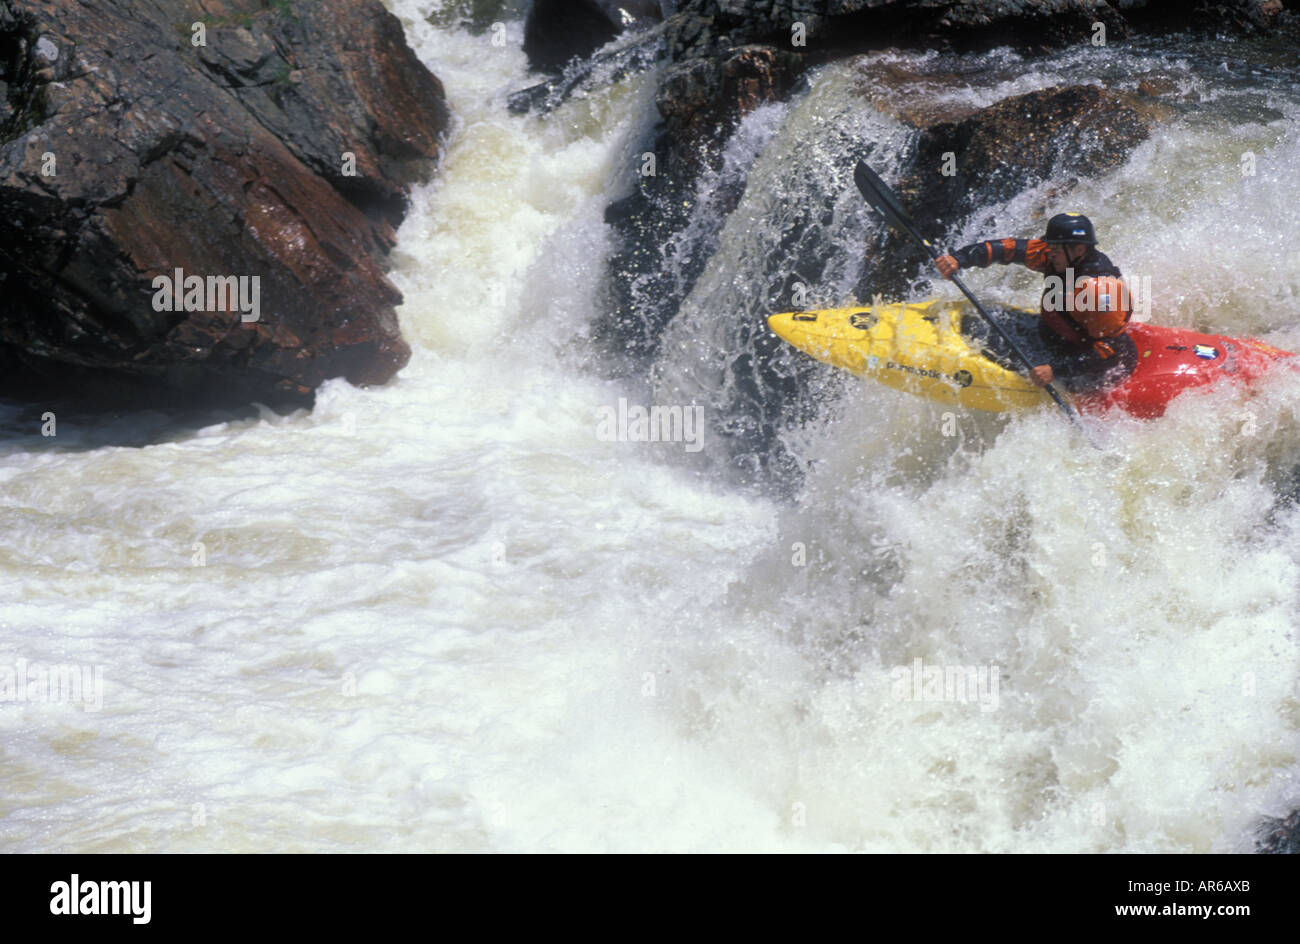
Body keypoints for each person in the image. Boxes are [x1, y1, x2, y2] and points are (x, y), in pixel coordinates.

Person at [934, 213, 1136, 390]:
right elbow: (1009, 250)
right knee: (977, 322)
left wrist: (1055, 371)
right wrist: (960, 259)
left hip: (1085, 367)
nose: (1050, 252)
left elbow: (1110, 351)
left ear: (1080, 250)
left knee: (981, 338)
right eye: (1050, 246)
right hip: (1051, 338)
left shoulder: (1101, 291)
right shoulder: (1058, 255)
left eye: (1056, 248)